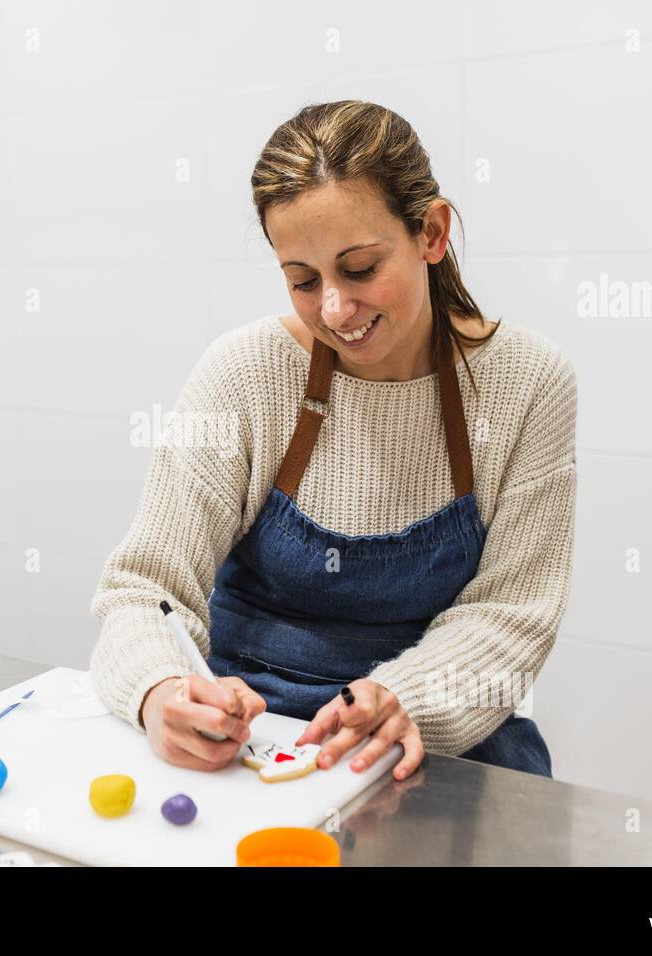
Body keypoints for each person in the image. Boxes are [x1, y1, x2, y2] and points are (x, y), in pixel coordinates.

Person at [89, 100, 577, 782]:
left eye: (359, 268)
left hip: (435, 746)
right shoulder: (245, 373)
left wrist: (410, 698)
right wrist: (162, 694)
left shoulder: (528, 382)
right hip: (255, 740)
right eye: (303, 280)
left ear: (431, 233)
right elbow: (144, 588)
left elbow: (512, 615)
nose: (335, 310)